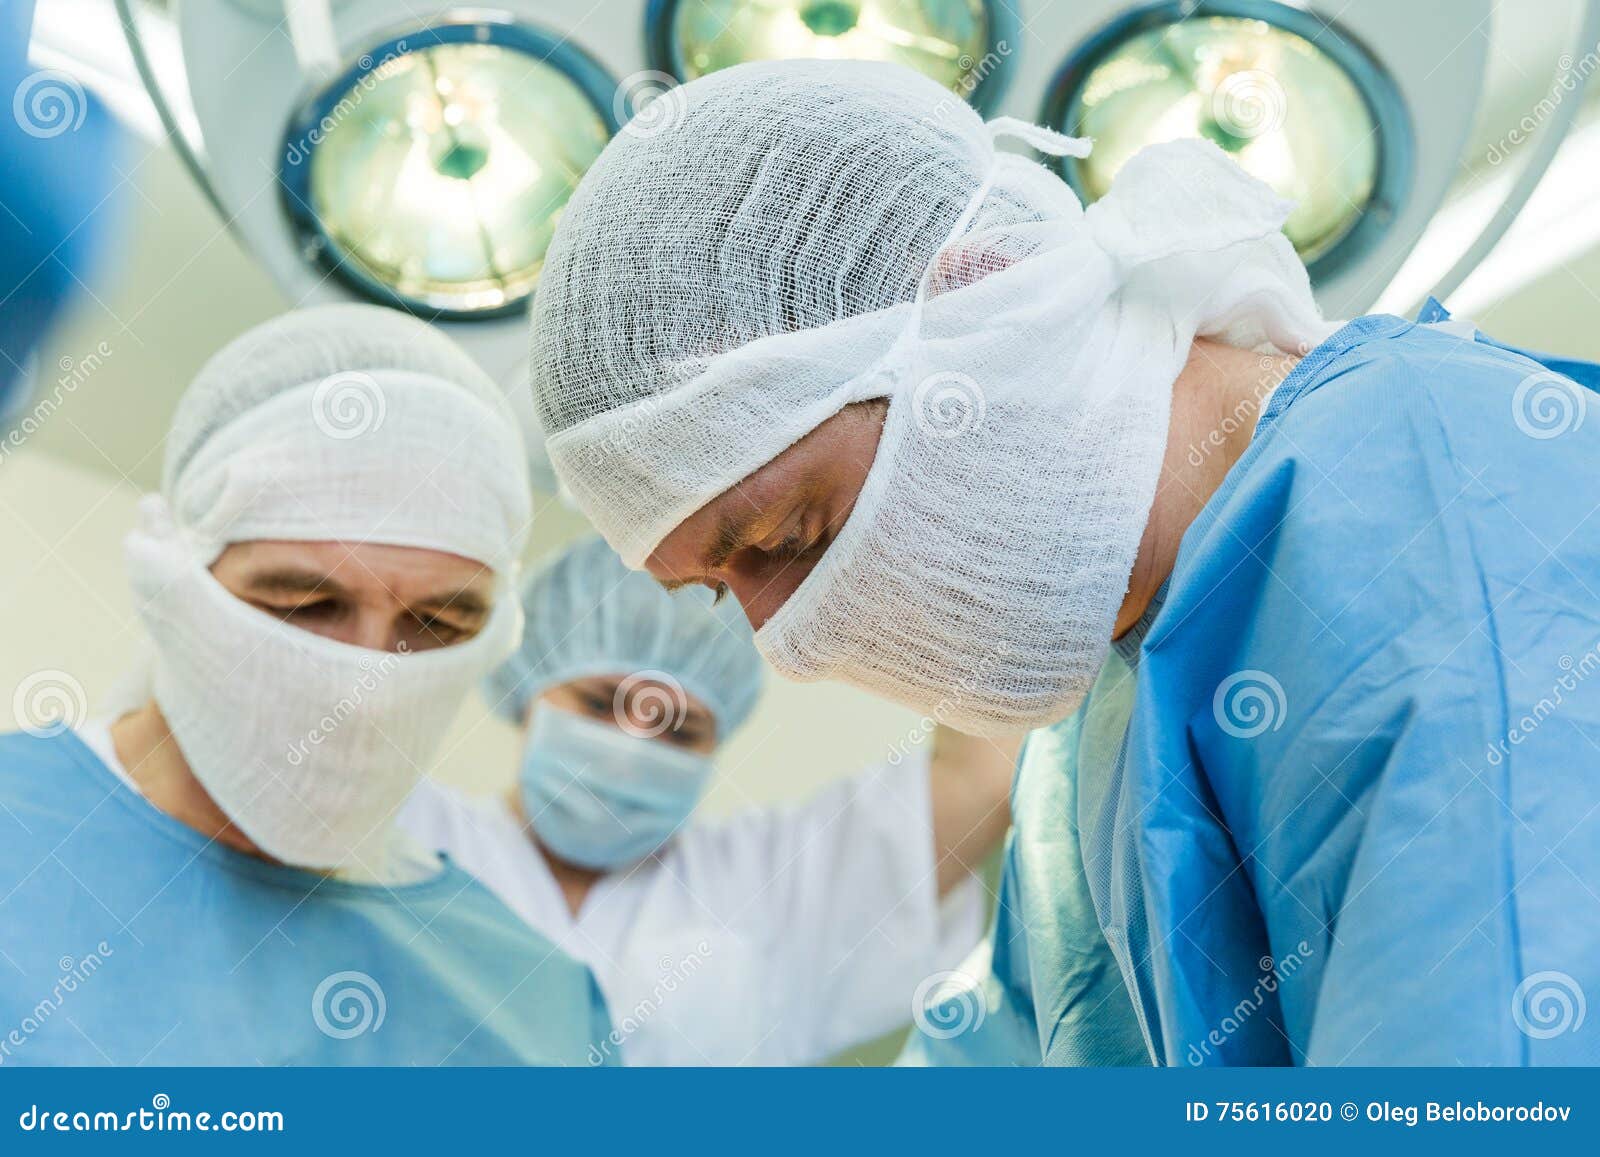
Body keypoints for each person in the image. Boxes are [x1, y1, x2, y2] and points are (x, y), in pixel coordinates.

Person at [521, 59, 1600, 1065]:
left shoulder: (1430, 506)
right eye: (719, 592)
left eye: (783, 540)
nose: (784, 646)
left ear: (982, 292)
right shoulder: (1090, 745)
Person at [0, 305, 613, 1066]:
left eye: (437, 624)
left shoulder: (533, 1005)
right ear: (172, 579)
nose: (370, 677)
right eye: (304, 606)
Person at [399, 534, 1011, 1065]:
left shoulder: (770, 886)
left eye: (679, 729)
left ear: (721, 740)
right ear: (526, 687)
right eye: (599, 704)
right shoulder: (405, 836)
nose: (631, 748)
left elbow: (986, 772)